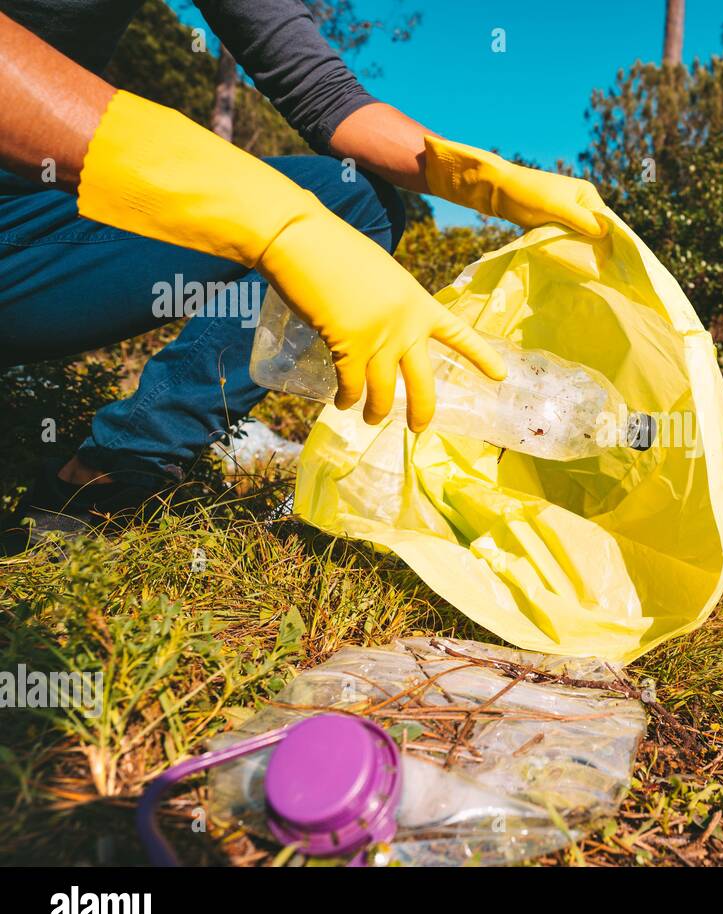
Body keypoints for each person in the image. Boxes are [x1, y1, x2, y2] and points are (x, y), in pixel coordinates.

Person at [0, 2, 608, 548]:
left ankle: (111, 472)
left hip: (28, 233)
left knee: (354, 200)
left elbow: (322, 91)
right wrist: (263, 216)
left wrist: (481, 180)